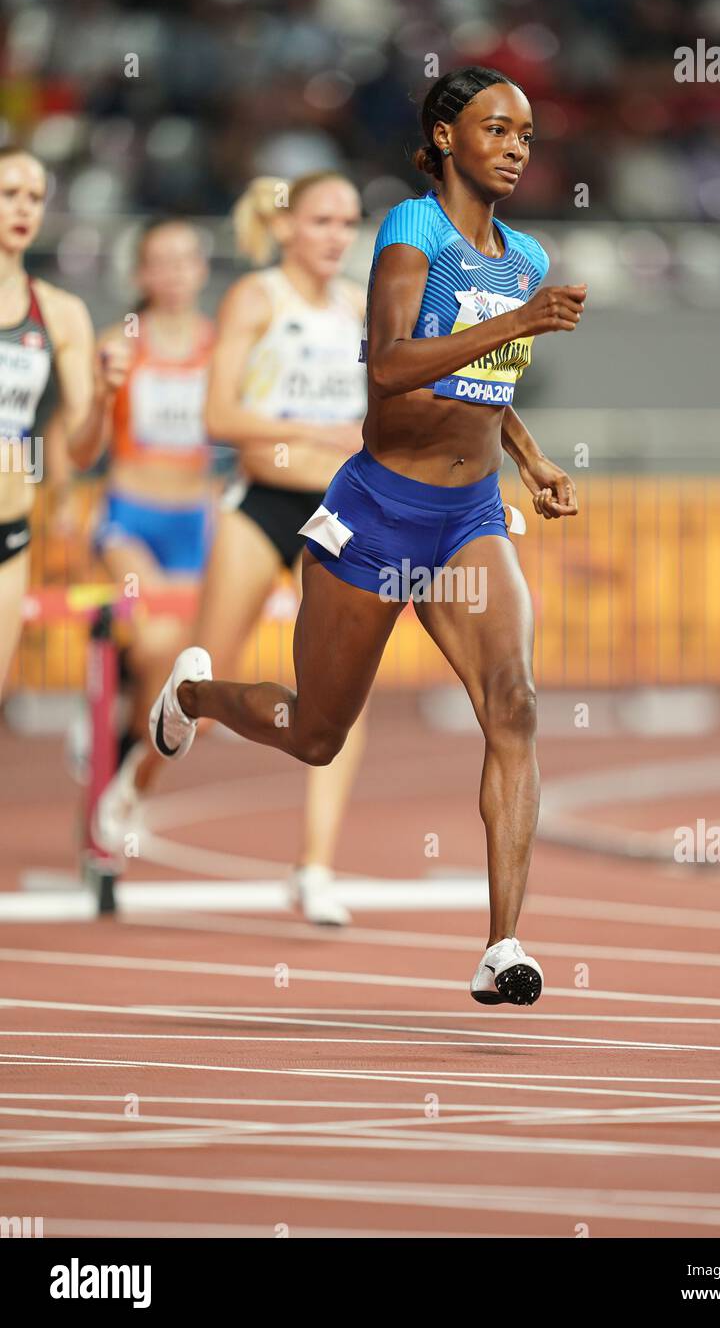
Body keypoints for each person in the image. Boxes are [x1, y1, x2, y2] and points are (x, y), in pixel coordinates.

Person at [149, 67, 586, 1003]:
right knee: (315, 734)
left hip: (468, 520)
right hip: (379, 511)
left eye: (526, 135)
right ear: (442, 137)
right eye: (496, 129)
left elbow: (485, 384)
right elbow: (390, 370)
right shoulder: (408, 233)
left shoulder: (528, 259)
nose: (515, 147)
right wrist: (516, 320)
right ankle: (199, 694)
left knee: (515, 704)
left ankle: (502, 946)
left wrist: (532, 458)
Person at [99, 173, 367, 926]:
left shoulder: (357, 306)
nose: (337, 235)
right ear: (287, 229)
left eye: (348, 221)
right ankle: (135, 786)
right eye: (321, 219)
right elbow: (218, 415)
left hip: (338, 512)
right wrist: (317, 433)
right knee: (203, 681)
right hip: (263, 504)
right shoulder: (258, 297)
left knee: (346, 693)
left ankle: (314, 867)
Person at [0, 145, 127, 694]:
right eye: (9, 195)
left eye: (35, 198)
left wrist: (103, 397)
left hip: (10, 531)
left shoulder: (59, 311)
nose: (24, 209)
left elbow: (79, 450)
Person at [91, 218, 214, 762]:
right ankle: (112, 697)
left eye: (184, 259)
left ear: (202, 269)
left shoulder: (217, 345)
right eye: (161, 261)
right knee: (157, 639)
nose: (173, 273)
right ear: (142, 272)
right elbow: (80, 435)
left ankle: (125, 750)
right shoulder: (118, 344)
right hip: (131, 514)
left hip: (194, 518)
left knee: (172, 655)